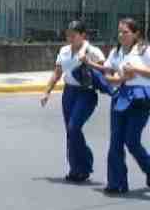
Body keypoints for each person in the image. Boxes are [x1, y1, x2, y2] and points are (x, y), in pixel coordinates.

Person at [84, 18, 150, 194]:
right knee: (115, 141)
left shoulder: (144, 50)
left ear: (136, 33)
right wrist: (119, 78)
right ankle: (116, 183)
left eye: (125, 32)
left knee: (132, 141)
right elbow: (107, 72)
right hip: (121, 96)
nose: (121, 35)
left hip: (140, 98)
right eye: (119, 32)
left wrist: (135, 71)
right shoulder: (116, 51)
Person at [40, 20, 106, 183]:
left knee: (74, 127)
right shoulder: (63, 51)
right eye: (67, 34)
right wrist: (47, 91)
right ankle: (76, 169)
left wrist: (89, 63)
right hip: (69, 92)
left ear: (83, 35)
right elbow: (57, 73)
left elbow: (105, 72)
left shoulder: (93, 51)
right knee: (70, 132)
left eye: (73, 34)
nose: (69, 37)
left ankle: (85, 162)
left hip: (86, 93)